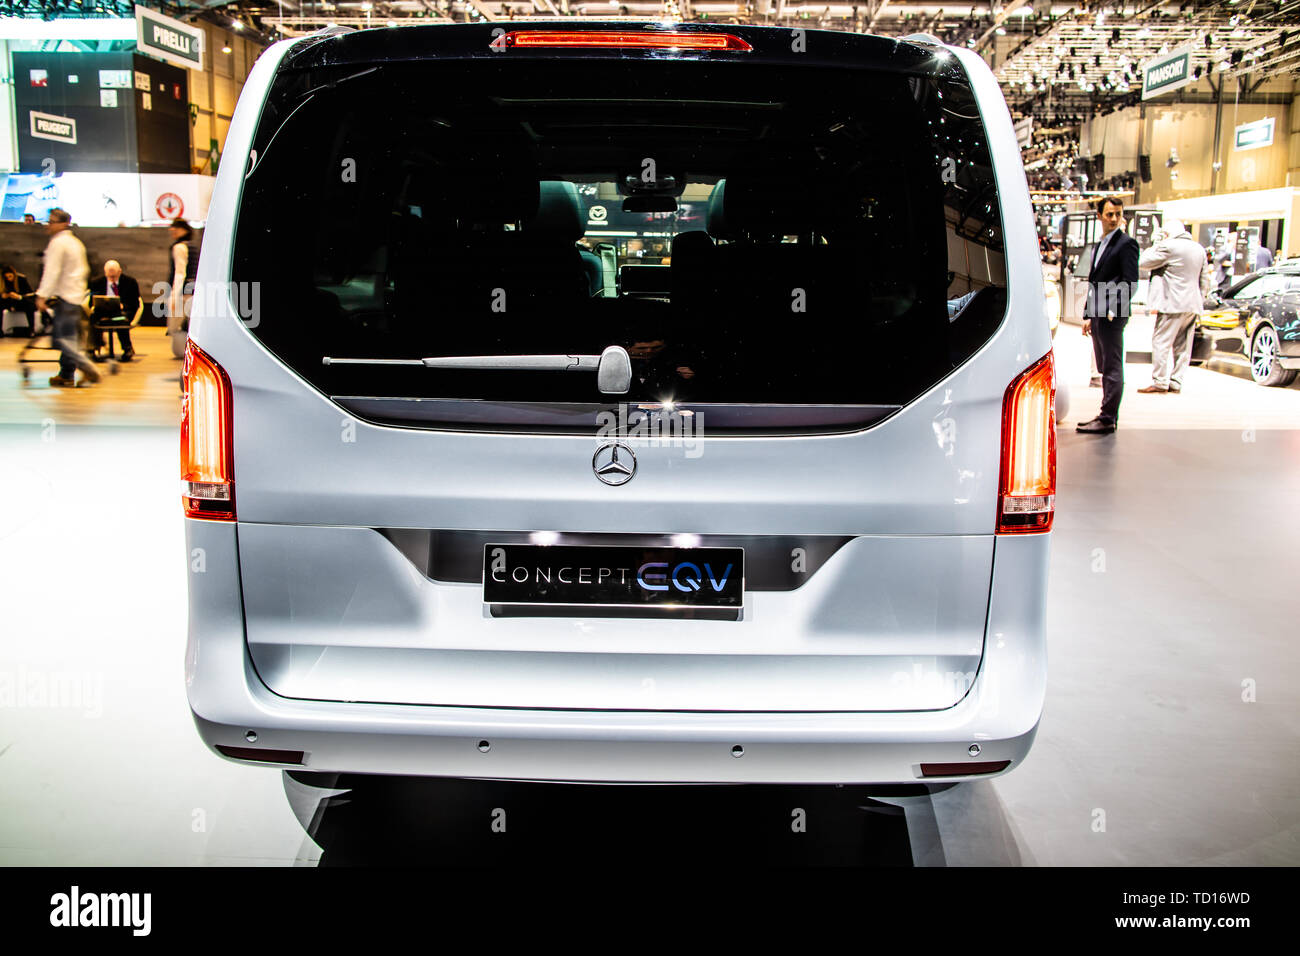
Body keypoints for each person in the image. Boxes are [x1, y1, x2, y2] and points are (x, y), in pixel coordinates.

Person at [1077, 197, 1138, 435]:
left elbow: (1131, 282)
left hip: (1113, 314)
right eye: (1110, 214)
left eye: (1118, 214)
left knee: (1112, 365)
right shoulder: (1100, 245)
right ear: (1099, 215)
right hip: (1100, 313)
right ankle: (1105, 414)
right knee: (1104, 365)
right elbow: (1095, 282)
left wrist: (1114, 308)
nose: (1114, 219)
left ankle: (1108, 417)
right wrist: (1088, 314)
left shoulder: (1126, 244)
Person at [1137, 219, 1208, 394]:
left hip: (1172, 302)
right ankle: (1176, 381)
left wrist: (1157, 243)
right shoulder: (1199, 249)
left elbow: (1142, 262)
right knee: (1183, 345)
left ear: (1166, 233)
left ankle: (1160, 381)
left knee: (1161, 341)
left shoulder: (1168, 246)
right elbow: (1205, 279)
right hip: (1193, 304)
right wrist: (1201, 298)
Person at [35, 208, 99, 388]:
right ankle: (66, 374)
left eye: (52, 221)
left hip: (66, 297)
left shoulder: (58, 243)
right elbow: (85, 269)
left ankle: (88, 367)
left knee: (64, 340)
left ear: (63, 224)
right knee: (70, 338)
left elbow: (52, 272)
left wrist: (42, 295)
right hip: (77, 296)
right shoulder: (75, 242)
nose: (48, 225)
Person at [88, 259, 140, 362]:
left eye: (114, 276)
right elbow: (91, 302)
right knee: (93, 319)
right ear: (105, 272)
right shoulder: (97, 282)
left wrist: (123, 306)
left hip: (122, 312)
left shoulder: (130, 282)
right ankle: (93, 348)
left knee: (121, 319)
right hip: (103, 312)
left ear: (119, 272)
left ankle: (127, 349)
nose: (112, 279)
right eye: (109, 276)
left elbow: (135, 303)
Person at [168, 218, 197, 359]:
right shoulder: (193, 246)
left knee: (177, 325)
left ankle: (184, 351)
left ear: (182, 229)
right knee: (192, 323)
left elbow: (179, 273)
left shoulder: (179, 247)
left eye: (175, 228)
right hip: (195, 290)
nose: (172, 231)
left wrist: (174, 295)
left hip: (185, 292)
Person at [1, 264, 36, 336]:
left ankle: (31, 329)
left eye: (10, 276)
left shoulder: (21, 279)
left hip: (20, 301)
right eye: (6, 277)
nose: (8, 279)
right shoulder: (2, 281)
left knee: (29, 305)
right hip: (8, 302)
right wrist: (3, 296)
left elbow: (29, 294)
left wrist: (19, 297)